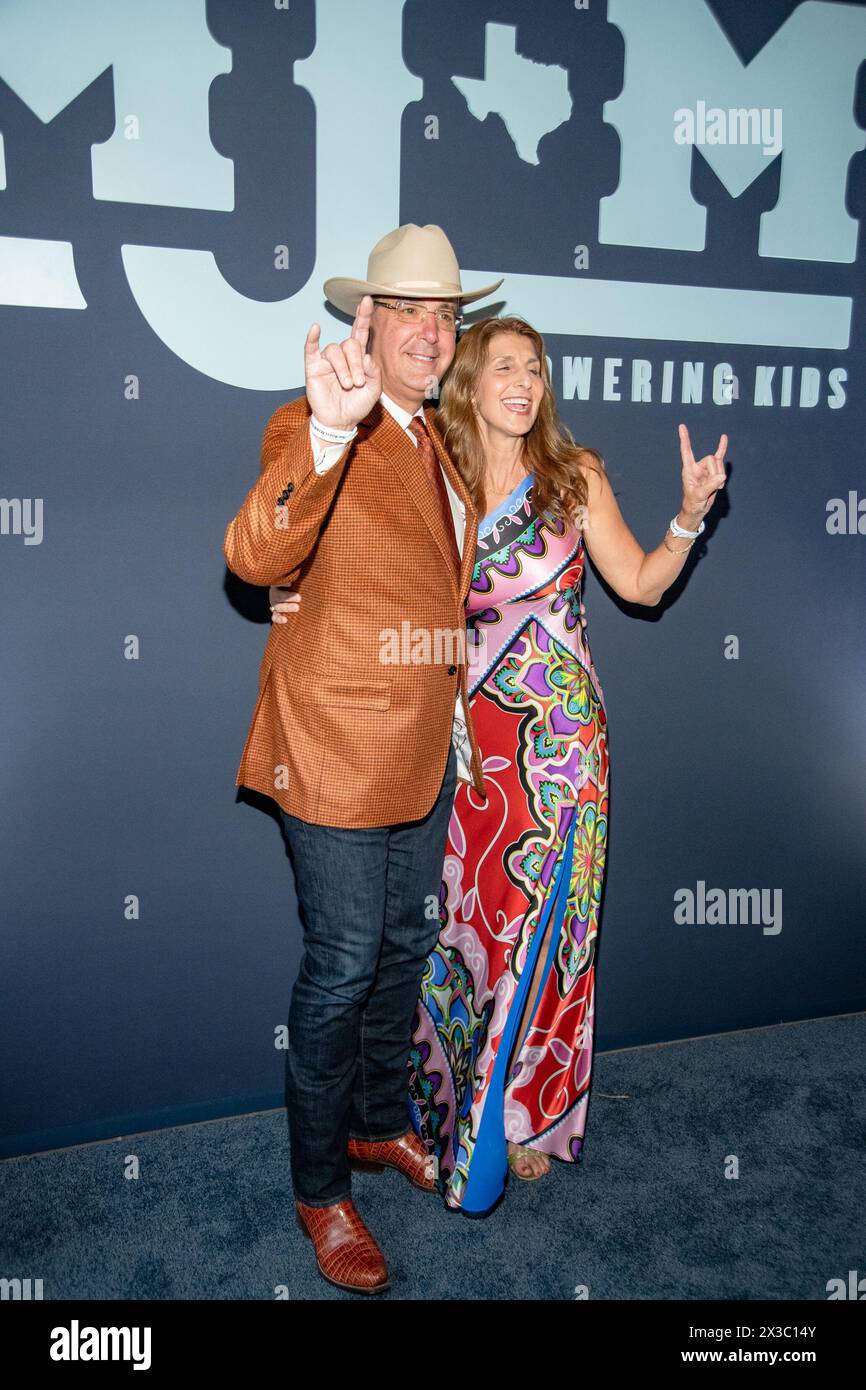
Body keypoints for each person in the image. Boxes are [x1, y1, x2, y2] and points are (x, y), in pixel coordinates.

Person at [271, 315, 728, 1217]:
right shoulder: (435, 477)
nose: (524, 382)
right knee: (461, 937)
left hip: (562, 748)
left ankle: (517, 1116)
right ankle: (438, 1108)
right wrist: (296, 591)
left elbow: (638, 584)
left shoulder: (575, 476)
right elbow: (357, 555)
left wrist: (686, 518)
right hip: (464, 751)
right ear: (469, 382)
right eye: (506, 366)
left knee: (548, 938)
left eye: (536, 369)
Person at [222, 224, 503, 1292]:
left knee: (397, 952)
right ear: (366, 323)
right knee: (340, 967)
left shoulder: (441, 442)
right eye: (412, 315)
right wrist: (329, 442)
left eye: (446, 316)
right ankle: (317, 1190)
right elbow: (254, 554)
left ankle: (374, 1125)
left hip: (421, 749)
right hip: (335, 744)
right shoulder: (307, 422)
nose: (434, 335)